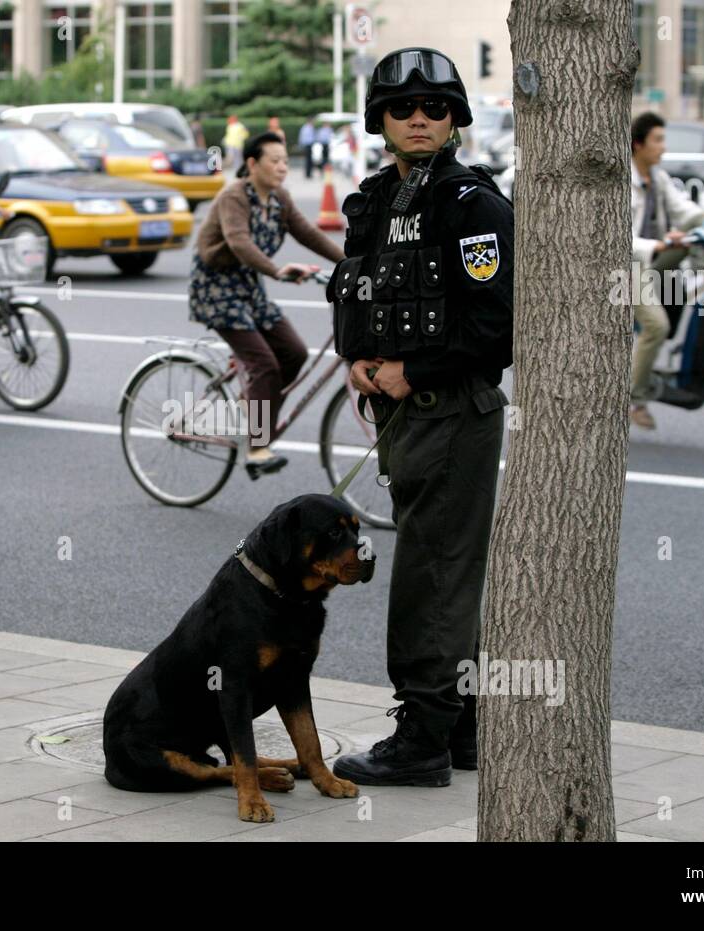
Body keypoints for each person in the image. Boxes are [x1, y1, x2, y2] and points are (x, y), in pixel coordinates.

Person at [327, 48, 514, 787]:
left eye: (434, 108)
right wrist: (360, 359)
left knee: (431, 575)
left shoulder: (473, 207)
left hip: (453, 413)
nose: (418, 119)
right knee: (442, 569)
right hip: (405, 418)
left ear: (455, 118)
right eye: (402, 108)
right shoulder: (376, 200)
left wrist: (412, 370)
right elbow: (359, 293)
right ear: (380, 120)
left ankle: (421, 739)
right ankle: (460, 727)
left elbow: (496, 329)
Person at [189, 131, 345, 478]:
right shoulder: (234, 196)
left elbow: (310, 234)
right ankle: (258, 446)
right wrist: (276, 270)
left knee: (293, 353)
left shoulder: (279, 199)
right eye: (274, 161)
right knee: (264, 364)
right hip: (217, 288)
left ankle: (257, 414)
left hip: (250, 287)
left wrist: (351, 263)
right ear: (252, 164)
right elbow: (238, 241)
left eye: (285, 161)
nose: (282, 167)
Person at [629, 111, 704, 430]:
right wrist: (659, 244)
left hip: (652, 261)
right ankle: (634, 398)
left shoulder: (657, 178)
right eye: (657, 140)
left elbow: (683, 211)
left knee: (688, 246)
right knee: (657, 327)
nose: (663, 148)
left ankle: (677, 305)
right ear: (638, 144)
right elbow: (621, 238)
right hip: (629, 266)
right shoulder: (624, 181)